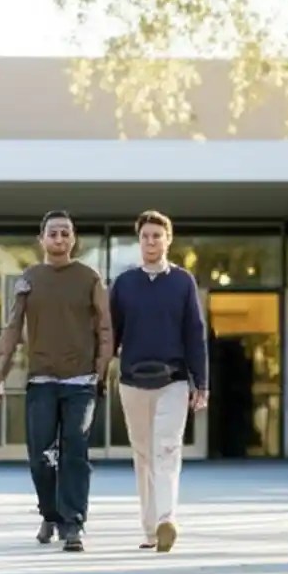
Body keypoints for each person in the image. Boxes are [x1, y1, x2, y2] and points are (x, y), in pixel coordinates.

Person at [0, 210, 114, 553]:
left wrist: (100, 372)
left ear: (73, 238)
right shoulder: (30, 278)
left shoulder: (89, 277)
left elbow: (104, 327)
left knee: (74, 449)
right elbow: (13, 327)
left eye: (65, 233)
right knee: (40, 456)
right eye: (53, 233)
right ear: (42, 238)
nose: (59, 239)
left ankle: (73, 523)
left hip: (81, 382)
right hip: (42, 380)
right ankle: (50, 514)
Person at [110, 210, 209, 553]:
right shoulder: (124, 284)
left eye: (157, 235)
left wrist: (202, 382)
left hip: (174, 380)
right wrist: (98, 371)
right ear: (139, 241)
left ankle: (167, 519)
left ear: (169, 239)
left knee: (167, 448)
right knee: (143, 454)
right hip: (132, 381)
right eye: (145, 236)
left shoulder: (183, 282)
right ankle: (150, 530)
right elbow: (112, 334)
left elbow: (195, 334)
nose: (151, 241)